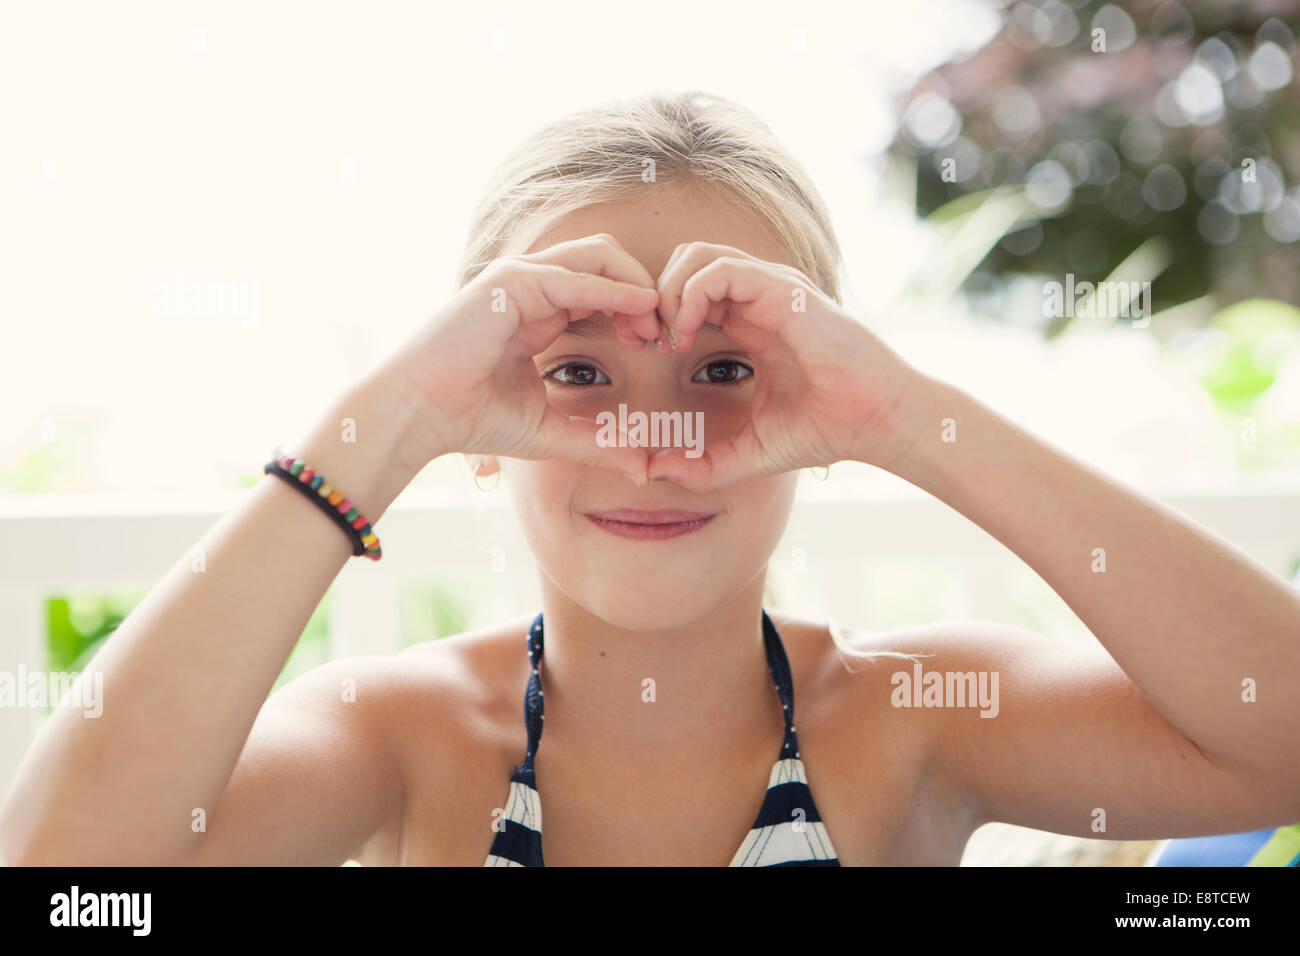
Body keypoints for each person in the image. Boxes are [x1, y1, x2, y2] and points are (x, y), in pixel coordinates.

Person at [3, 90, 1299, 866]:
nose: (659, 442)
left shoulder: (908, 718)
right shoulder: (399, 742)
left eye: (727, 373)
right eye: (576, 375)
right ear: (482, 418)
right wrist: (390, 421)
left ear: (822, 410)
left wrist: (910, 417)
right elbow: (69, 878)